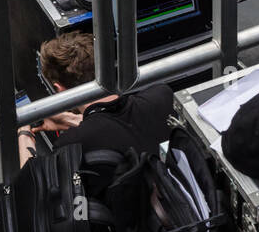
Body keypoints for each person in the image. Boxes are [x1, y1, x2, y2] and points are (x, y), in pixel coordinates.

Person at [17, 31, 172, 165]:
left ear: (59, 89)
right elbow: (117, 124)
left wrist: (24, 132)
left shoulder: (72, 145)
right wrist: (77, 121)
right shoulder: (162, 96)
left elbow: (33, 191)